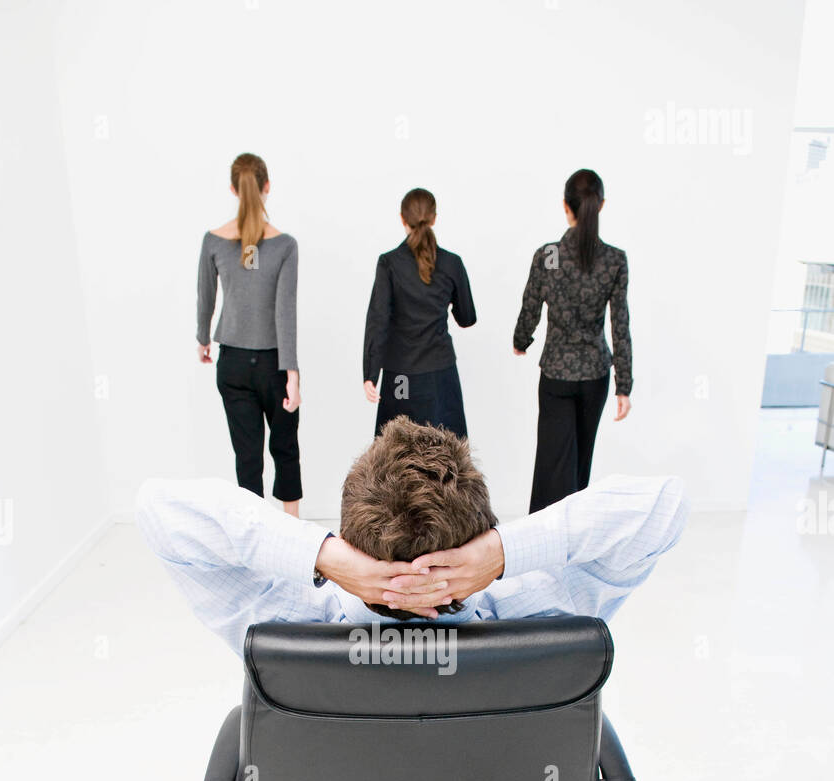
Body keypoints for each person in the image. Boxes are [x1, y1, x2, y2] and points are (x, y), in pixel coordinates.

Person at [136, 417, 686, 656]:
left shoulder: (283, 625)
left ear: (351, 538)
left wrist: (323, 557)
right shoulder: (546, 617)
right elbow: (664, 506)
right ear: (478, 534)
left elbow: (159, 510)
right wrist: (502, 556)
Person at [514, 169, 632, 513]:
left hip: (556, 373)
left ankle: (542, 537)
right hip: (595, 374)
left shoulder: (548, 255)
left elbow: (530, 306)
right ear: (601, 205)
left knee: (551, 463)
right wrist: (623, 385)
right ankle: (576, 534)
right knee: (581, 463)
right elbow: (620, 325)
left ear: (566, 206)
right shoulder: (615, 260)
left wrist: (522, 340)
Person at [197, 152, 302, 516]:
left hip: (234, 364)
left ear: (233, 189)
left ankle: (256, 541)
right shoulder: (285, 245)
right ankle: (294, 537)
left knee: (247, 457)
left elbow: (205, 297)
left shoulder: (213, 240)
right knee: (285, 448)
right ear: (267, 187)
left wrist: (203, 339)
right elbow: (284, 312)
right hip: (274, 363)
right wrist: (292, 373)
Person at [363, 189, 476, 438]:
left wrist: (371, 374)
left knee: (396, 456)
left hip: (400, 376)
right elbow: (467, 318)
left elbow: (378, 320)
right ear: (434, 218)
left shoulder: (389, 263)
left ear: (402, 220)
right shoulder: (452, 263)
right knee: (446, 455)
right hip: (439, 374)